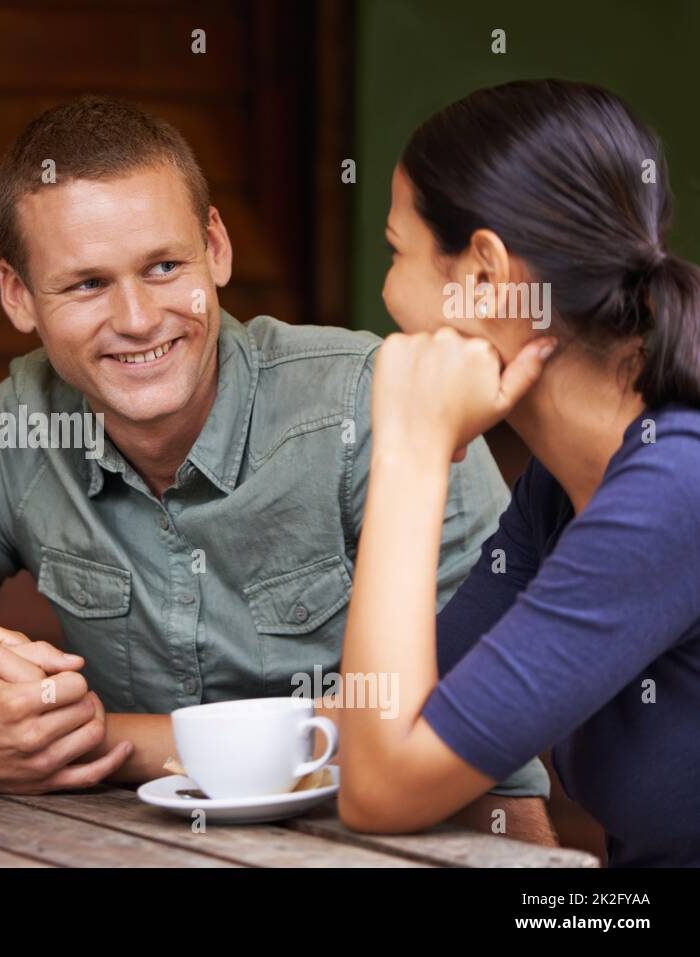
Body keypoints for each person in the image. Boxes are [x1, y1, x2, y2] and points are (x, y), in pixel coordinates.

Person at [0, 95, 551, 838]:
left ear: (216, 249)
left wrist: (87, 732)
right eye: (88, 283)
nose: (136, 320)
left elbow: (492, 764)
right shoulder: (11, 435)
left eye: (164, 266)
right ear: (19, 296)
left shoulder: (376, 408)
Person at [337, 79, 700, 866]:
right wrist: (72, 730)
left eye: (396, 254)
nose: (384, 292)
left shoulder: (676, 487)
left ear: (484, 276)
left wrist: (410, 450)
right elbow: (383, 728)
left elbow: (380, 787)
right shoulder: (561, 489)